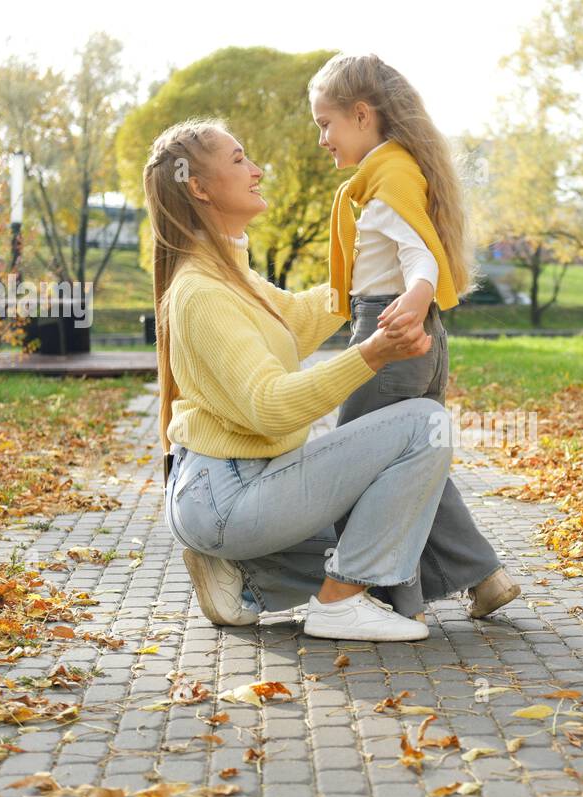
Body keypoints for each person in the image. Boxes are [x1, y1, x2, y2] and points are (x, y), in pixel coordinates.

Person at [146, 117, 456, 642]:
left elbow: (305, 316)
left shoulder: (232, 275)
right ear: (198, 187)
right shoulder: (201, 291)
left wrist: (375, 261)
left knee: (382, 531)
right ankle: (339, 603)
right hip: (229, 498)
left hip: (233, 495)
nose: (257, 170)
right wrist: (373, 353)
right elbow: (272, 406)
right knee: (426, 426)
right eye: (240, 159)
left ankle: (244, 579)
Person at [309, 52, 521, 623]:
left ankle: (390, 600)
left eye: (325, 124)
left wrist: (417, 295)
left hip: (392, 332)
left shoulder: (388, 175)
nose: (323, 138)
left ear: (361, 115)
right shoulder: (392, 171)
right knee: (411, 463)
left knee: (358, 464)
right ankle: (482, 577)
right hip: (413, 331)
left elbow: (418, 253)